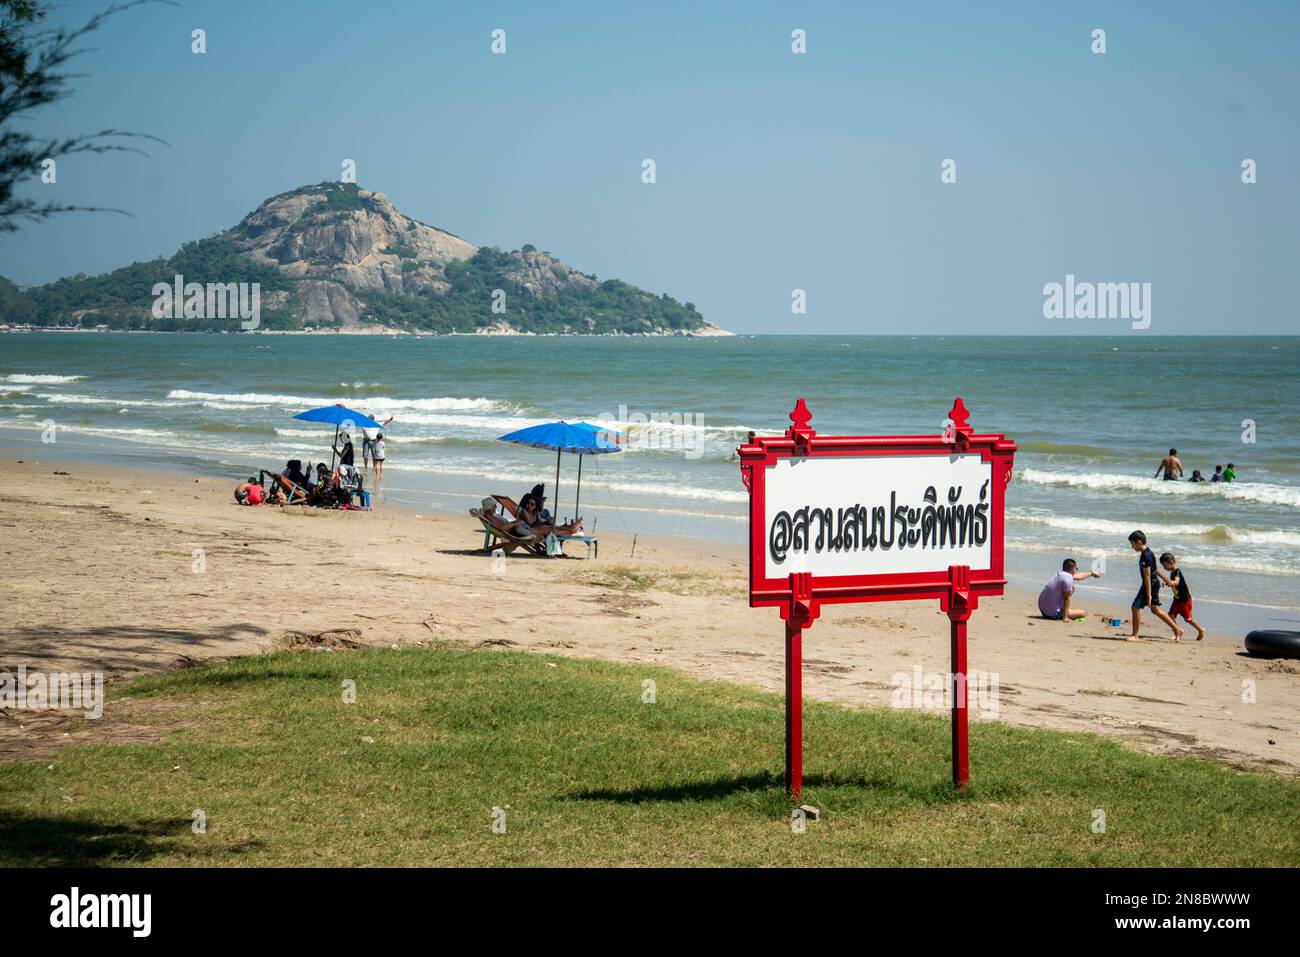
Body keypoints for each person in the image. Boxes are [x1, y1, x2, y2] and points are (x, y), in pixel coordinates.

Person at [1127, 530, 1182, 641]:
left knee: (1135, 607)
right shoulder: (1149, 552)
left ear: (1138, 542)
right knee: (1155, 610)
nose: (1131, 547)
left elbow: (1147, 576)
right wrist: (1165, 579)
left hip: (1150, 584)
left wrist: (1149, 595)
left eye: (1132, 544)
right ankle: (1178, 630)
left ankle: (1135, 635)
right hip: (1153, 583)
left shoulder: (1146, 555)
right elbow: (1155, 570)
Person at [1157, 552, 1206, 640]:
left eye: (1165, 566)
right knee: (1170, 616)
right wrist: (1166, 582)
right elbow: (1173, 583)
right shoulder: (1172, 572)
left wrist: (1169, 582)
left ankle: (1201, 630)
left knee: (1188, 619)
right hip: (1177, 599)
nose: (1164, 568)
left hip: (1184, 600)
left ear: (1171, 562)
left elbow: (1176, 582)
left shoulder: (1177, 572)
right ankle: (1178, 631)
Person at [1037, 558, 1102, 620]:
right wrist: (1065, 617)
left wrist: (1091, 574)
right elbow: (1066, 599)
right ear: (1073, 569)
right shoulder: (1068, 578)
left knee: (1071, 588)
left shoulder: (1060, 574)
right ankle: (1063, 613)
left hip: (1043, 609)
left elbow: (1079, 577)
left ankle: (1061, 610)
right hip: (1052, 614)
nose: (1077, 570)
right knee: (1083, 613)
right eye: (1076, 568)